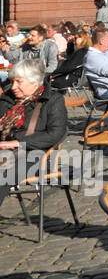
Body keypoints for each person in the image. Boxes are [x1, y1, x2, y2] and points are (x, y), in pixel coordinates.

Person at [0, 59, 69, 209]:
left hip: (33, 153)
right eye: (11, 81)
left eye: (19, 82)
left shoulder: (52, 100)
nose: (13, 87)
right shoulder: (8, 98)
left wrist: (18, 142)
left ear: (35, 82)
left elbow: (56, 133)